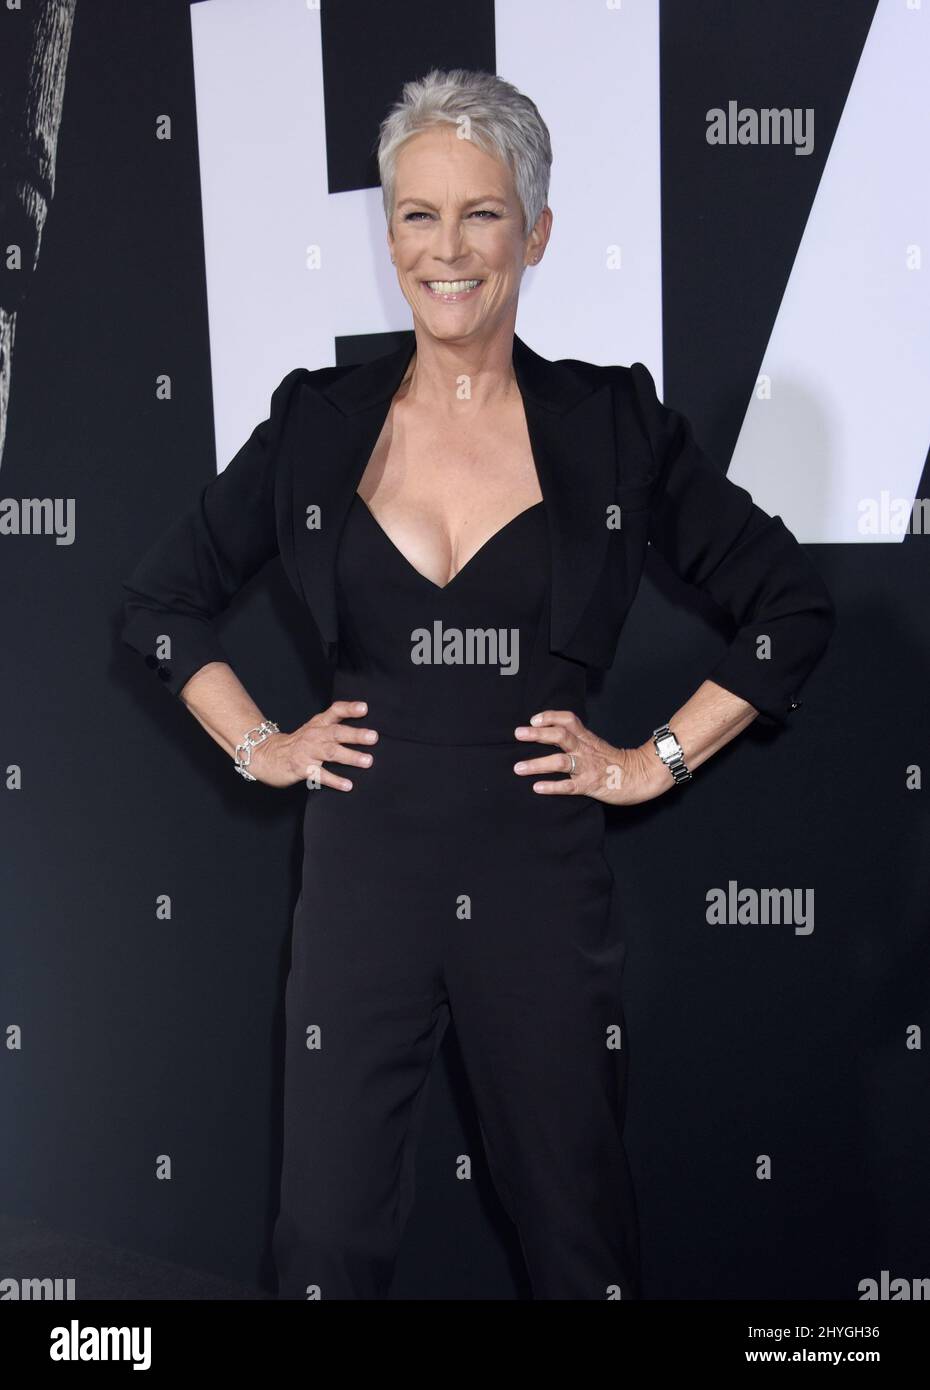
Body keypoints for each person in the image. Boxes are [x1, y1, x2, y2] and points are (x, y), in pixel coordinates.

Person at [119, 68, 836, 1300]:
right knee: (323, 1246)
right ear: (388, 231)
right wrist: (260, 745)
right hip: (361, 878)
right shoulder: (318, 418)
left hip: (538, 882)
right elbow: (160, 602)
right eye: (416, 215)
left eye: (481, 215)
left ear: (537, 230)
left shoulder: (613, 426)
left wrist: (648, 760)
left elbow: (791, 606)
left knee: (578, 1236)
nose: (445, 251)